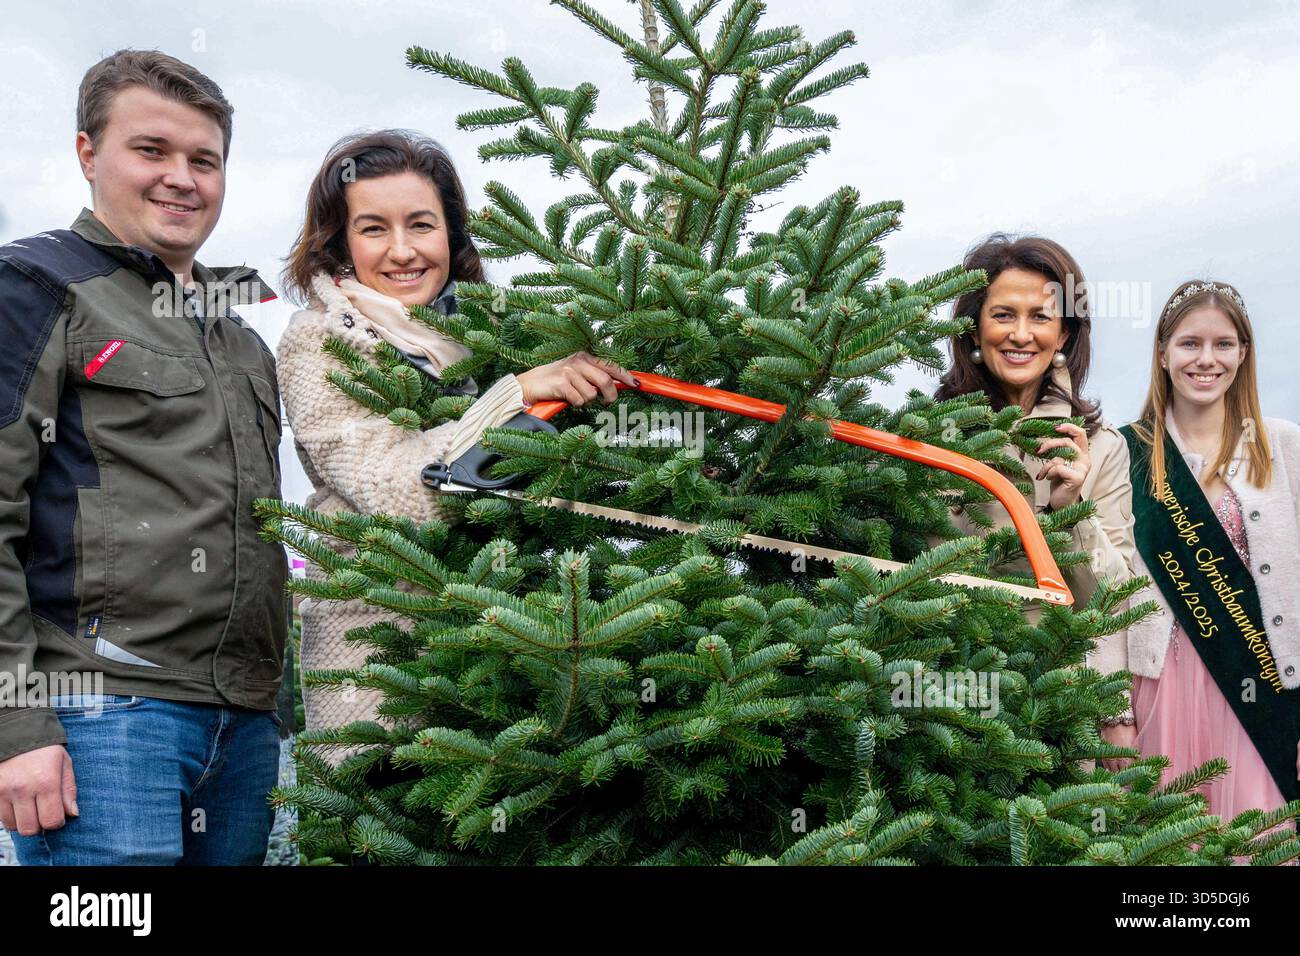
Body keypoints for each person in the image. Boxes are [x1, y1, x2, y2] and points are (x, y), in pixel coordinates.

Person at [0, 50, 288, 864]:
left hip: (245, 725)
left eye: (205, 160)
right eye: (151, 151)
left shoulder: (241, 339)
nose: (182, 179)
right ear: (88, 154)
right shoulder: (34, 285)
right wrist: (15, 725)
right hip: (103, 717)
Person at [278, 130, 634, 765]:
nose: (403, 250)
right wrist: (516, 395)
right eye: (373, 229)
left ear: (452, 234)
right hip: (379, 668)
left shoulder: (483, 336)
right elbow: (395, 489)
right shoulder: (318, 343)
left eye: (422, 224)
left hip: (520, 661)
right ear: (339, 241)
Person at [1098, 280, 1300, 818]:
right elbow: (1105, 590)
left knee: (1264, 840)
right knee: (1166, 849)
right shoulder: (1126, 452)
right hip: (1157, 687)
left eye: (1223, 344)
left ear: (1244, 353)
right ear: (1163, 353)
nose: (1206, 359)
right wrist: (1112, 712)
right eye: (1189, 344)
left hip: (1266, 690)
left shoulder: (1284, 446)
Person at [935, 234, 1137, 613]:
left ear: (1063, 335)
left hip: (1055, 670)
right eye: (1003, 315)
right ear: (974, 330)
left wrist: (1069, 511)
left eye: (1040, 316)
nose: (1022, 335)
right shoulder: (930, 435)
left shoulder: (1103, 445)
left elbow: (1112, 603)